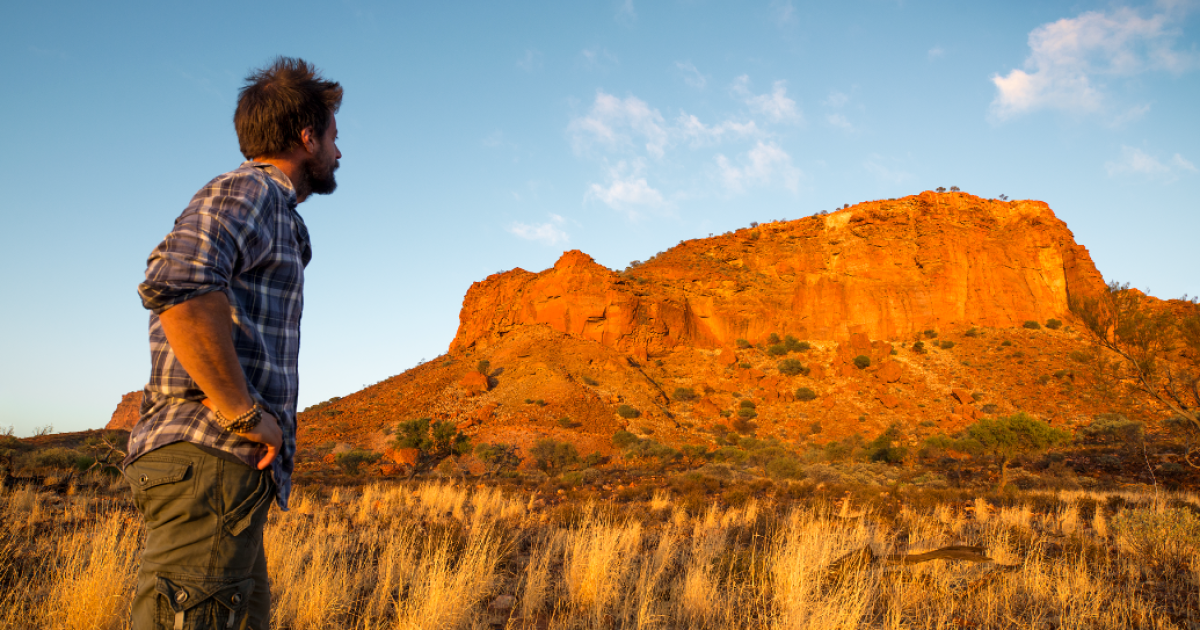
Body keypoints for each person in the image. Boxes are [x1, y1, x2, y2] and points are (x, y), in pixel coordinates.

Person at [124, 57, 342, 630]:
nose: (340, 153)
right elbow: (180, 286)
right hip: (211, 458)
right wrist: (245, 415)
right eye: (334, 137)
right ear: (307, 135)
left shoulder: (273, 211)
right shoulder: (248, 191)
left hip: (225, 474)